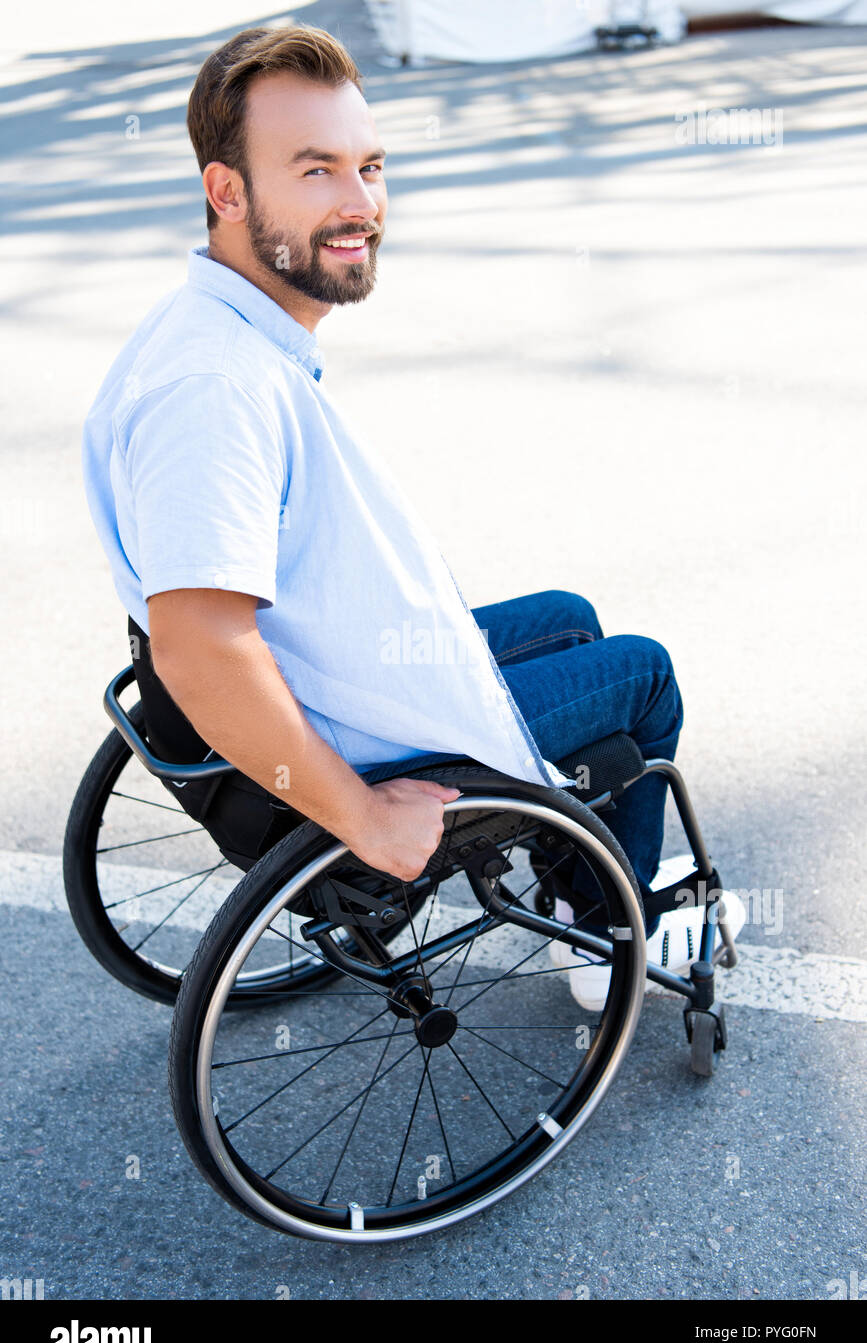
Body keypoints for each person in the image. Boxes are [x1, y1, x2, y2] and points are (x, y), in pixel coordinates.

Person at [81, 24, 730, 1008]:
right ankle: (607, 942)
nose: (360, 203)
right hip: (366, 731)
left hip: (347, 669)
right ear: (228, 191)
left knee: (568, 614)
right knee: (642, 675)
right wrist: (364, 817)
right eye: (315, 171)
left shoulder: (210, 329)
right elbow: (200, 647)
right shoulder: (214, 388)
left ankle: (575, 885)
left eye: (370, 166)